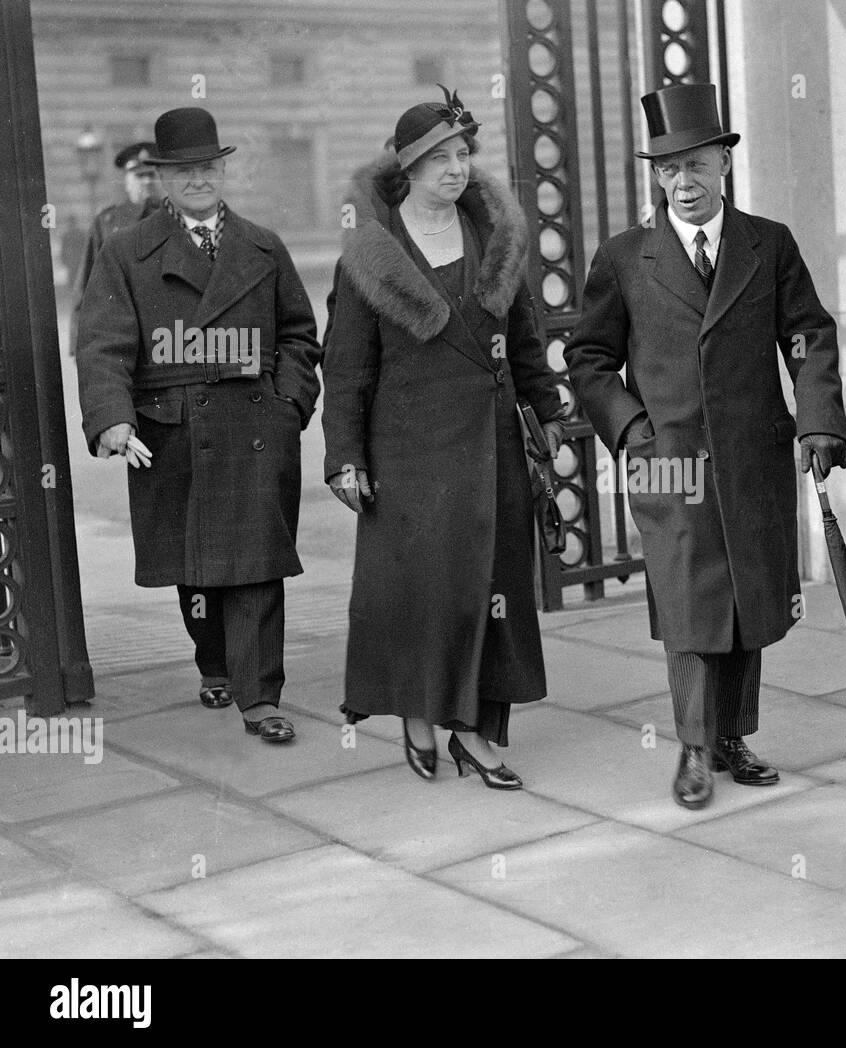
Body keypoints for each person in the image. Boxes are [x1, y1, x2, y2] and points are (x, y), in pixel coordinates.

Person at [564, 84, 846, 810]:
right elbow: (589, 356)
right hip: (670, 462)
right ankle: (694, 745)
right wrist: (632, 432)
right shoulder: (626, 258)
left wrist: (818, 419)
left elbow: (807, 334)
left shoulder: (769, 244)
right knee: (691, 601)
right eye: (666, 171)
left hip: (753, 456)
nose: (682, 184)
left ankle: (731, 737)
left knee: (748, 599)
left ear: (723, 163)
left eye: (694, 165)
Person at [322, 89, 565, 788]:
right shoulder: (370, 256)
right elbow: (346, 371)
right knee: (422, 594)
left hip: (490, 447)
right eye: (440, 158)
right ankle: (422, 716)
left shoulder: (494, 241)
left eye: (463, 155)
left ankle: (473, 730)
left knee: (489, 586)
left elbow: (524, 341)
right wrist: (345, 457)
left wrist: (545, 412)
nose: (457, 169)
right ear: (409, 168)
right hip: (408, 455)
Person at [76, 107, 321, 744]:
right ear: (162, 177)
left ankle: (260, 695)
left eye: (208, 166)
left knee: (258, 565)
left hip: (256, 428)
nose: (198, 179)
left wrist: (289, 404)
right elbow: (102, 345)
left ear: (222, 171)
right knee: (196, 571)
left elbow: (299, 334)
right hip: (170, 431)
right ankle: (214, 661)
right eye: (184, 170)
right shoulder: (127, 251)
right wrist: (111, 420)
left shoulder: (264, 245)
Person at [68, 141, 164, 355]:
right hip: (123, 337)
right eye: (140, 176)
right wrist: (80, 345)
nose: (147, 181)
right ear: (126, 180)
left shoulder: (179, 219)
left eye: (152, 174)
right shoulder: (107, 223)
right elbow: (86, 285)